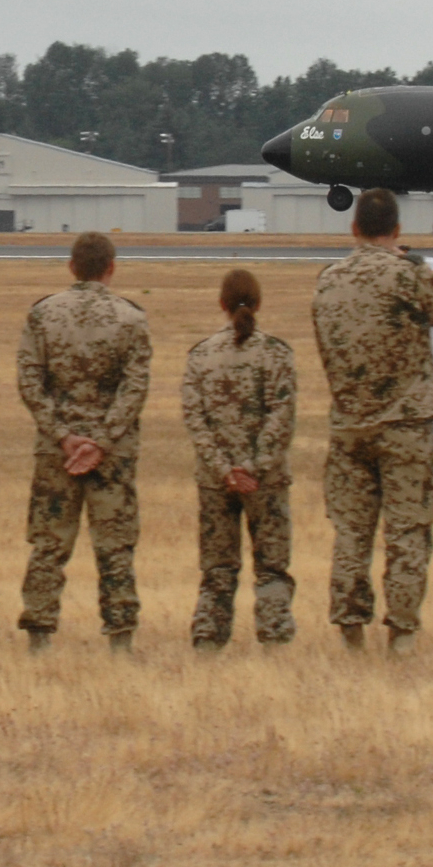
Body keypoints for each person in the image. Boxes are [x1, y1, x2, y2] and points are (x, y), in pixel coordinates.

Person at [310, 188, 433, 656]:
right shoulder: (406, 276)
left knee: (352, 532)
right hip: (404, 424)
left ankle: (350, 629)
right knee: (407, 530)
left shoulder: (328, 280)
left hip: (350, 423)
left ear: (354, 229)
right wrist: (420, 268)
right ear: (396, 231)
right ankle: (401, 634)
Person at [15, 231, 151, 652]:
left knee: (49, 544)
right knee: (115, 545)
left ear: (72, 267)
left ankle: (39, 637)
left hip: (58, 452)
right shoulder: (131, 319)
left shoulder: (44, 315)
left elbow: (29, 380)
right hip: (112, 456)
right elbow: (135, 388)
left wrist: (62, 435)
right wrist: (103, 440)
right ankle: (121, 641)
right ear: (111, 268)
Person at [182, 268, 298, 650]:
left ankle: (207, 642)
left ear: (222, 304)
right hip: (266, 482)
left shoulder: (200, 356)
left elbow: (195, 420)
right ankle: (275, 641)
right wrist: (254, 468)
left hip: (215, 483)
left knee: (217, 568)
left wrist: (224, 469)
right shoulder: (277, 354)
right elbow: (281, 417)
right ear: (259, 304)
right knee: (272, 568)